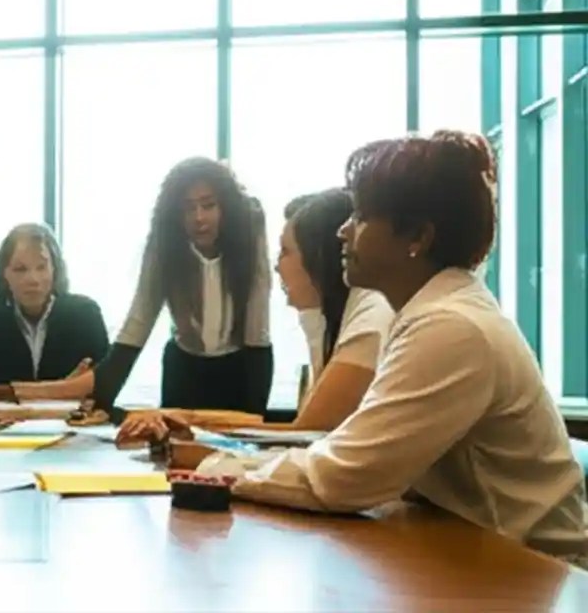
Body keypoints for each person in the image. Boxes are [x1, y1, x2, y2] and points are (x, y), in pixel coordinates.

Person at [230, 130, 588, 563]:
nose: (343, 231)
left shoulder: (451, 328)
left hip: (539, 576)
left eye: (360, 217)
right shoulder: (434, 312)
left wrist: (217, 473)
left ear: (418, 237)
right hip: (489, 559)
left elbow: (344, 477)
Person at [116, 188, 393, 444]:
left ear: (319, 258)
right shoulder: (330, 317)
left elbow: (308, 431)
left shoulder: (370, 317)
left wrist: (192, 423)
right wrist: (182, 417)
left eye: (285, 252)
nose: (274, 266)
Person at [85, 157, 273, 422]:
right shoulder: (164, 241)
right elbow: (139, 321)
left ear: (226, 207)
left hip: (241, 365)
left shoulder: (250, 228)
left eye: (208, 206)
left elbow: (258, 326)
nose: (199, 218)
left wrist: (255, 414)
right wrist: (101, 401)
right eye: (188, 208)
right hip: (185, 366)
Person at [0, 223, 109, 401]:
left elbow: (106, 386)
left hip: (72, 425)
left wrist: (2, 392)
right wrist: (66, 388)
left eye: (41, 267)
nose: (32, 279)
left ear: (55, 270)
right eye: (20, 269)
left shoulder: (85, 314)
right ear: (5, 273)